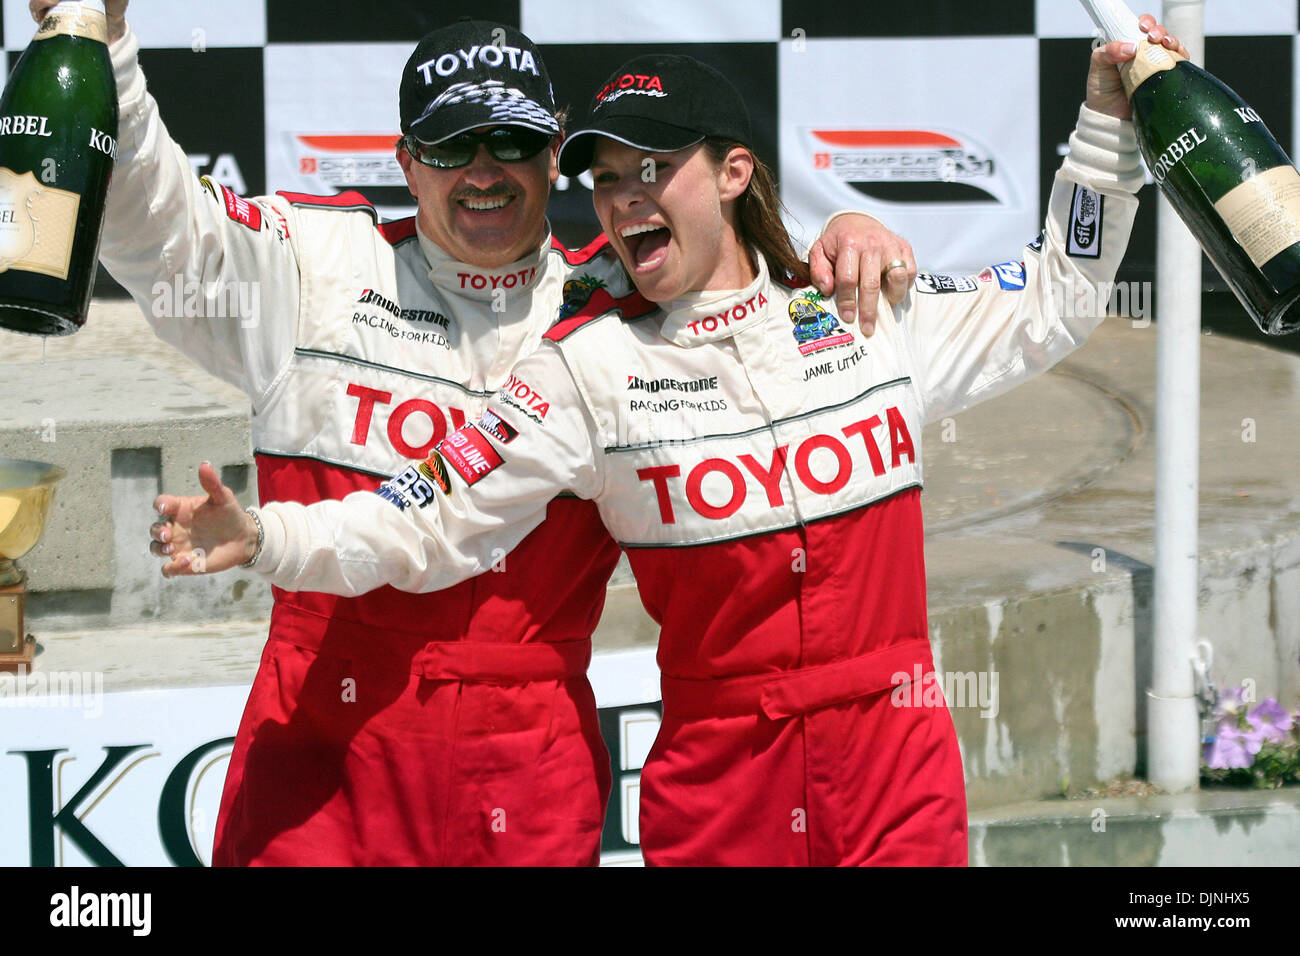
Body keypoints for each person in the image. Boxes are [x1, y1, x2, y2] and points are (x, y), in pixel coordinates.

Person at [149, 17, 1181, 865]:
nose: (626, 196)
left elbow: (1059, 296)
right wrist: (272, 535)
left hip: (896, 757)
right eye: (605, 177)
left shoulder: (867, 310)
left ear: (733, 171)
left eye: (653, 167)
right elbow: (422, 517)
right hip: (722, 783)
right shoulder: (578, 367)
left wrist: (1101, 124)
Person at [52, 1, 910, 865]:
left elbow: (754, 305)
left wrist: (844, 241)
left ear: (555, 151)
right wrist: (108, 46)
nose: (483, 171)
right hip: (323, 751)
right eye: (450, 146)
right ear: (405, 163)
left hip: (526, 768)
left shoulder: (625, 313)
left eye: (512, 143)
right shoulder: (311, 266)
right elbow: (155, 229)